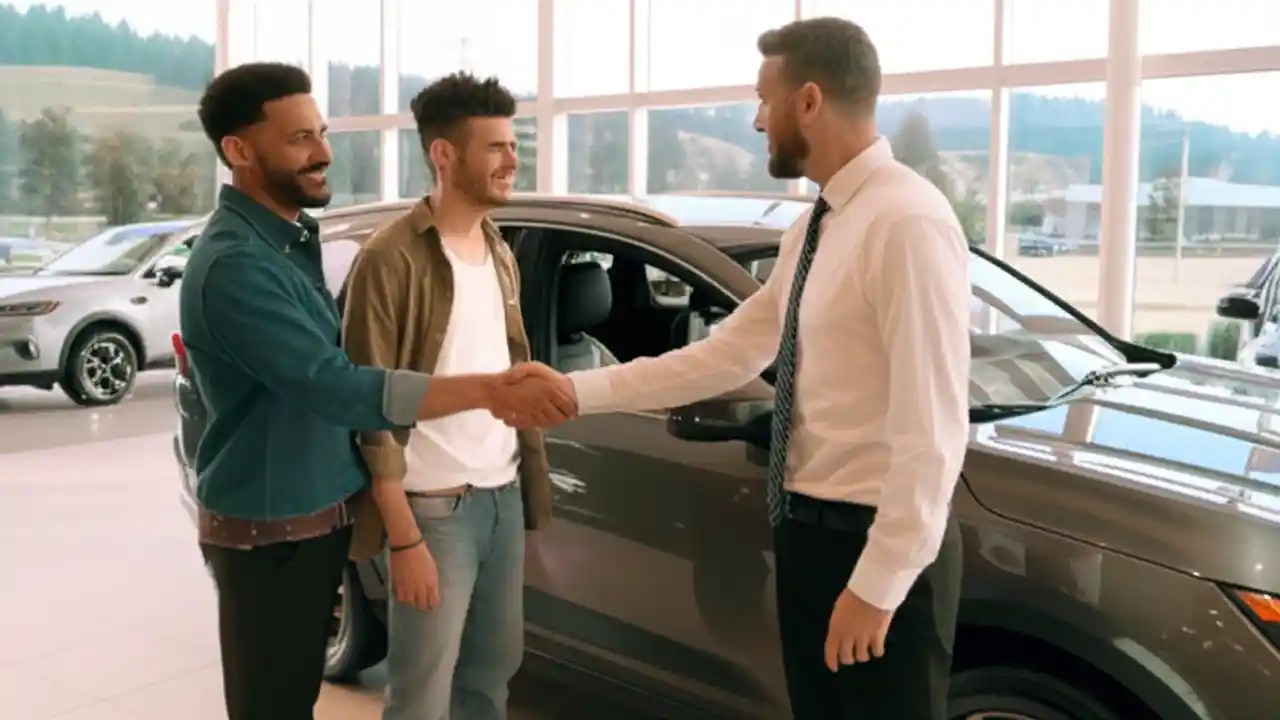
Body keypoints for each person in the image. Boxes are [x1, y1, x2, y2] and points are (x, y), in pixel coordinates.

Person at [502, 17, 970, 720]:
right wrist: (573, 390)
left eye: (764, 98)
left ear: (808, 101)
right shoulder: (818, 225)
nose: (757, 120)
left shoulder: (905, 222)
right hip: (810, 533)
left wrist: (879, 583)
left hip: (872, 541)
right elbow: (729, 354)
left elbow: (933, 426)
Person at [182, 62, 572, 720]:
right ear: (239, 151)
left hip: (316, 520)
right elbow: (339, 388)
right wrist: (485, 394)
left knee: (470, 677)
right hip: (271, 533)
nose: (324, 151)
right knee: (284, 705)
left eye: (322, 132)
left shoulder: (286, 242)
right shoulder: (238, 264)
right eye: (299, 138)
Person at [338, 71, 546, 720]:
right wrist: (402, 537)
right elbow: (368, 405)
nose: (513, 160)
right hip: (434, 511)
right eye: (496, 148)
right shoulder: (390, 258)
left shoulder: (497, 248)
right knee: (422, 696)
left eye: (514, 146)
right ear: (444, 155)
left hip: (501, 498)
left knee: (489, 679)